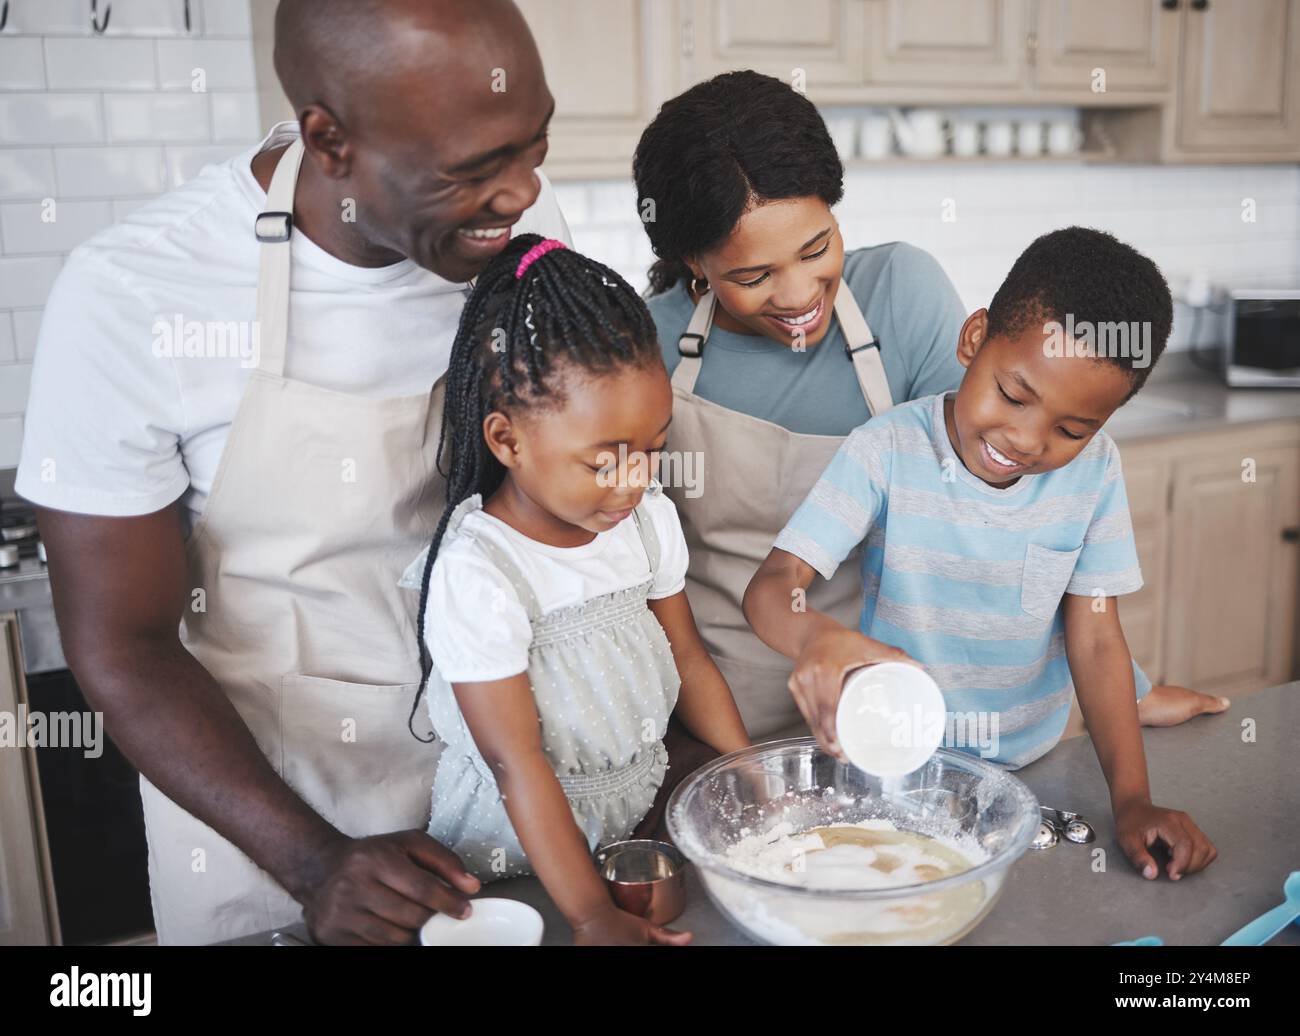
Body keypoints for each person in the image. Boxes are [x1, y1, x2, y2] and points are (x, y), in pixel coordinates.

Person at [16, 0, 571, 945]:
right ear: (329, 141)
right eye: (475, 169)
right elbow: (122, 645)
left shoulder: (511, 225)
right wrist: (316, 863)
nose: (521, 192)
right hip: (274, 822)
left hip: (503, 781)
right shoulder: (137, 293)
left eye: (533, 148)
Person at [630, 69, 1226, 758]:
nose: (799, 295)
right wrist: (726, 756)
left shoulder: (901, 294)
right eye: (754, 275)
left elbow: (1008, 519)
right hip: (720, 715)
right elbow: (629, 565)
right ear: (694, 264)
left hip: (897, 718)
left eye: (817, 248)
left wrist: (1127, 692)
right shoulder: (643, 349)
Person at [743, 227, 1218, 881]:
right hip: (897, 759)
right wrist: (813, 635)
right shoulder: (886, 449)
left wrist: (1132, 800)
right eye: (1013, 396)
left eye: (1071, 430)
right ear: (973, 340)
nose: (1025, 439)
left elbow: (1097, 638)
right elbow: (773, 586)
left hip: (1036, 761)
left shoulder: (1097, 473)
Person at [399, 235, 748, 944]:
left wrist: (752, 777)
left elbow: (687, 660)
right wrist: (590, 915)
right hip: (517, 859)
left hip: (632, 826)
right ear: (507, 440)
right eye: (603, 463)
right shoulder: (482, 572)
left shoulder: (646, 523)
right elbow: (515, 761)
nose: (634, 481)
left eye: (653, 448)